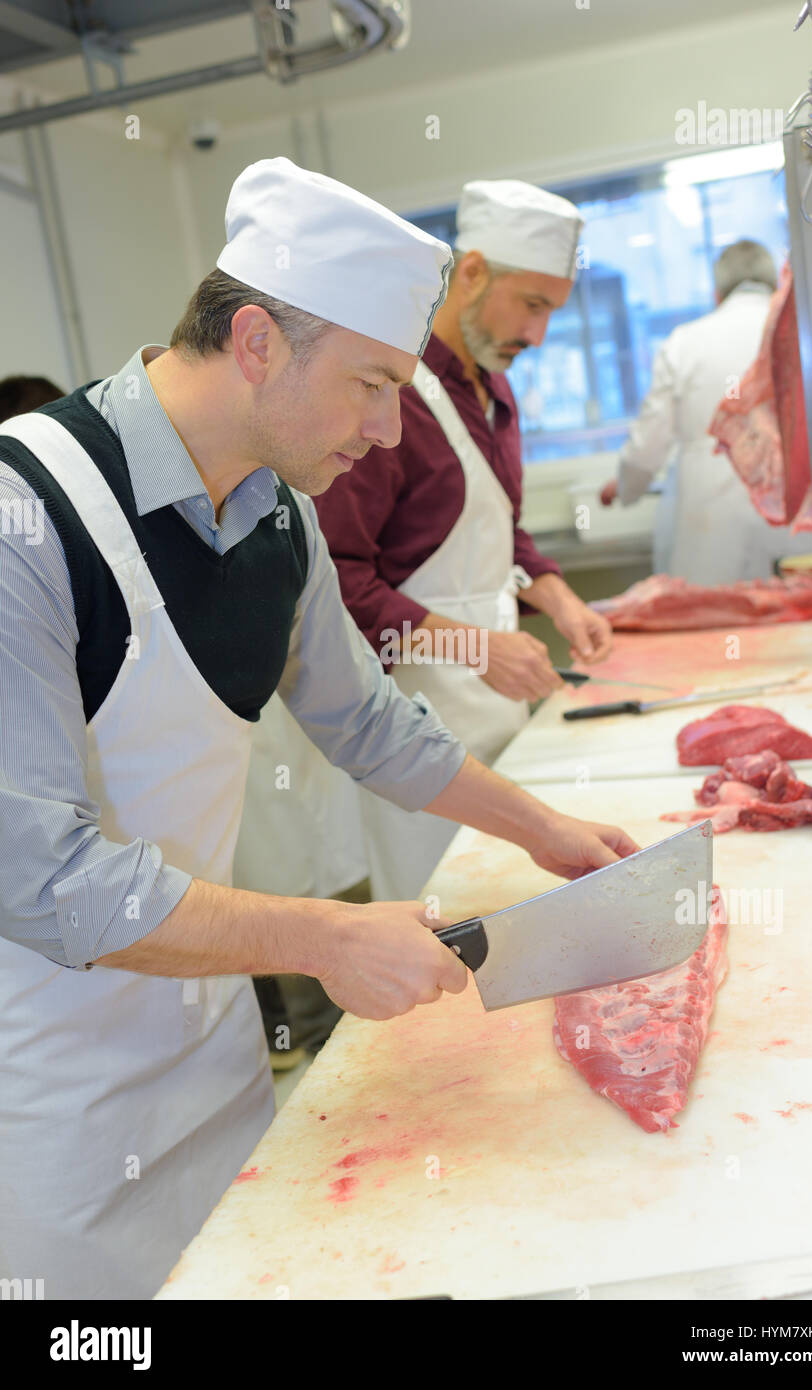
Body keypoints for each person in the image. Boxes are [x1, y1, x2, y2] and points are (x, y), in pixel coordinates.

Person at [0, 157, 638, 1300]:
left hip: (213, 1044)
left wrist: (541, 829)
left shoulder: (275, 513)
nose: (391, 431)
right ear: (255, 343)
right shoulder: (24, 523)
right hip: (44, 1102)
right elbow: (47, 885)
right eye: (372, 385)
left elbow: (370, 724)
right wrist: (329, 939)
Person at [315, 179, 613, 899]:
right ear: (472, 272)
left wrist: (558, 596)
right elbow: (340, 587)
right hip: (409, 729)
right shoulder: (386, 399)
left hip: (499, 709)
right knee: (446, 922)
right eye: (532, 305)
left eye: (552, 311)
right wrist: (474, 647)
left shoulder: (494, 387)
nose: (538, 335)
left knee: (517, 899)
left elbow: (496, 524)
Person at [599, 239, 812, 582]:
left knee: (717, 625)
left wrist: (625, 486)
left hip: (712, 527)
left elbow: (646, 451)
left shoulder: (684, 343)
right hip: (795, 518)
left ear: (717, 293)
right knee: (802, 621)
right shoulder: (808, 336)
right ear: (775, 285)